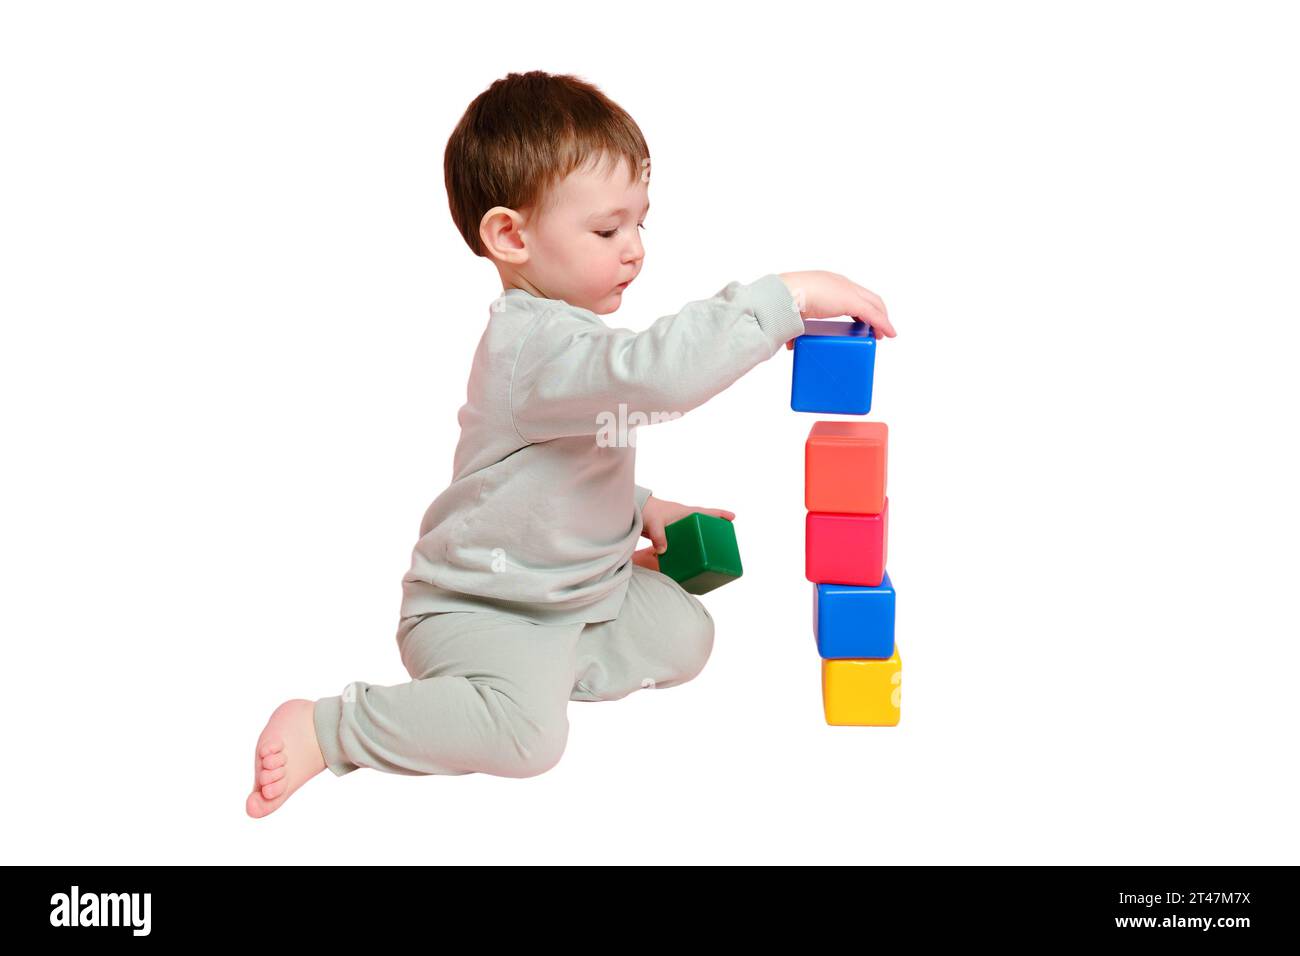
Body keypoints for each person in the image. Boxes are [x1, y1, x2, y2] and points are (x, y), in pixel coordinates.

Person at [246, 70, 894, 818]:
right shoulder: (534, 347)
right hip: (482, 605)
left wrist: (643, 508)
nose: (634, 250)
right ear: (510, 236)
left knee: (687, 637)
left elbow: (556, 465)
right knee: (529, 742)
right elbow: (660, 378)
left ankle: (545, 666)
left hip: (571, 596)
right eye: (607, 230)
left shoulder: (570, 340)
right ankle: (333, 729)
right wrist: (785, 296)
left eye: (640, 225)